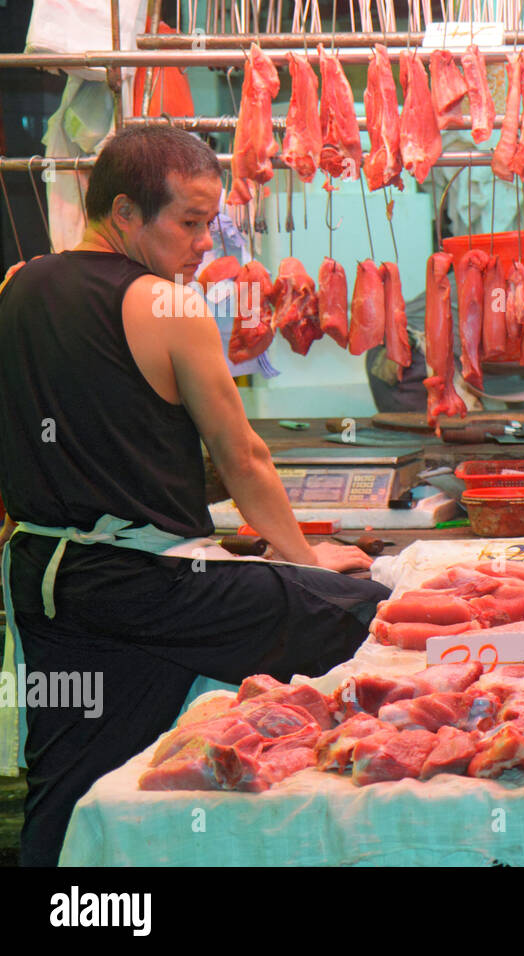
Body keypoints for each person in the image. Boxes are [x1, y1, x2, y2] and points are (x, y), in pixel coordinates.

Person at [0, 125, 387, 866]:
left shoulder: (16, 285)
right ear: (124, 212)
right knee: (366, 617)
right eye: (188, 221)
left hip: (46, 583)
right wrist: (303, 562)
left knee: (74, 772)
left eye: (210, 221)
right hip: (148, 583)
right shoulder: (167, 305)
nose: (205, 242)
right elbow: (243, 457)